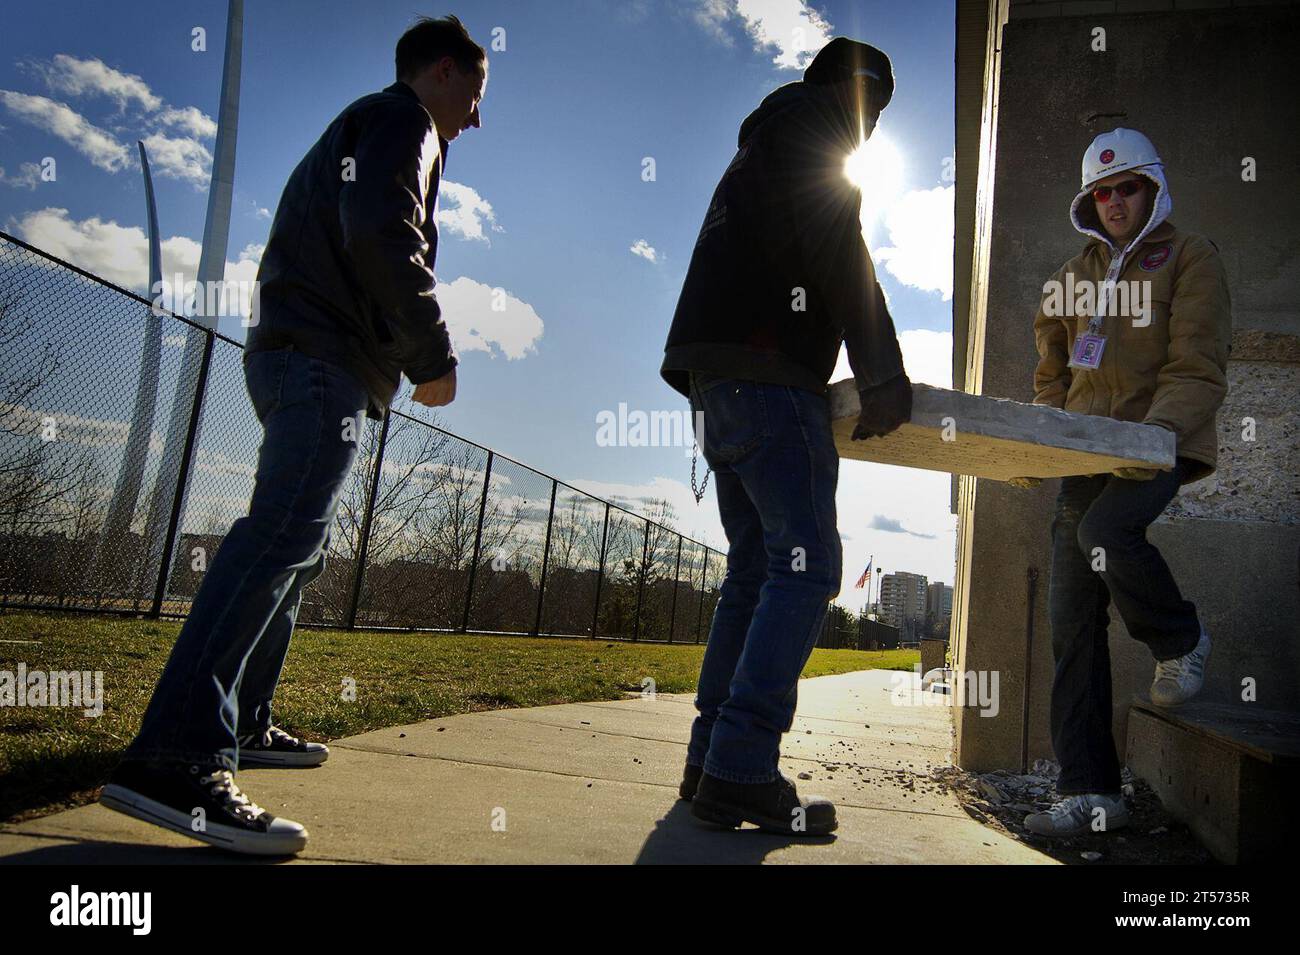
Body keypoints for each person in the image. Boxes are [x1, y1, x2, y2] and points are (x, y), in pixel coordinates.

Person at [100, 15, 486, 855]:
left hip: (301, 355)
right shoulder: (403, 121)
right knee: (279, 536)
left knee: (297, 549)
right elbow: (385, 230)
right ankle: (173, 753)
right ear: (445, 72)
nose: (477, 119)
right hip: (322, 358)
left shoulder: (368, 121)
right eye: (476, 96)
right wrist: (432, 348)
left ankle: (248, 720)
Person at [660, 37, 913, 836]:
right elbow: (843, 248)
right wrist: (882, 375)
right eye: (878, 109)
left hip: (716, 375)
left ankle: (710, 760)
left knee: (756, 570)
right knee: (807, 568)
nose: (872, 132)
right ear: (859, 93)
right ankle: (740, 767)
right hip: (769, 376)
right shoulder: (815, 126)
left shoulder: (763, 139)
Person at [1012, 128, 1232, 838]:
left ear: (1154, 187)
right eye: (1100, 192)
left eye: (1127, 187)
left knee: (1105, 531)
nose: (1113, 201)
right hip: (1083, 454)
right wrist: (1049, 426)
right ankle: (1091, 792)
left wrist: (1152, 436)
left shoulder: (1191, 256)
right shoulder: (1072, 273)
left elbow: (1197, 364)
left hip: (1156, 441)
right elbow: (1052, 355)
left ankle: (1180, 638)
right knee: (1071, 616)